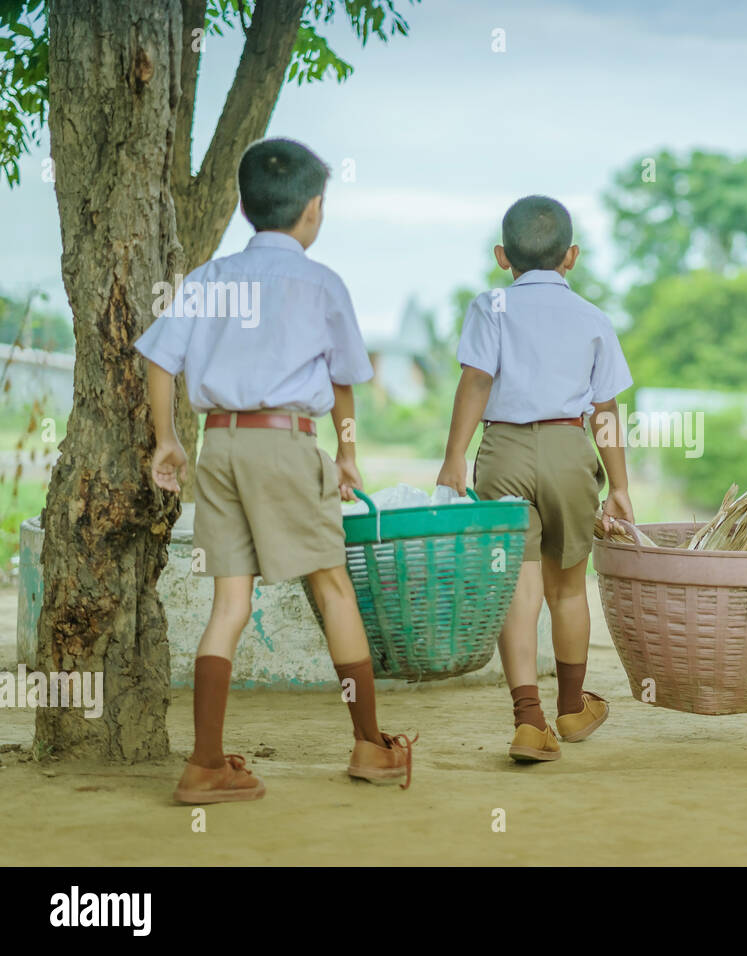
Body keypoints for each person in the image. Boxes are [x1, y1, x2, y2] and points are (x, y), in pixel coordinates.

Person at [137, 138, 415, 803]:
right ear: (313, 211)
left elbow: (158, 360)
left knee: (229, 602)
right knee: (333, 589)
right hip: (287, 444)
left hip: (222, 449)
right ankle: (370, 746)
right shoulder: (322, 284)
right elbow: (346, 382)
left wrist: (167, 441)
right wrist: (346, 452)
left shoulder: (207, 278)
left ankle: (205, 763)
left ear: (242, 204)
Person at [437, 195, 635, 763]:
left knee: (517, 590)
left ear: (504, 256)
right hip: (571, 451)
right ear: (570, 257)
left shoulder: (489, 306)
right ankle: (572, 710)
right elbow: (606, 411)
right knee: (567, 588)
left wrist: (455, 457)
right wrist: (618, 486)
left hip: (503, 451)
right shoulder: (594, 318)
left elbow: (475, 382)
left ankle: (529, 722)